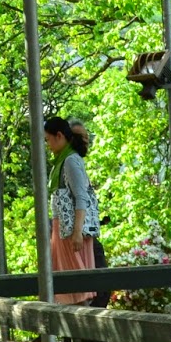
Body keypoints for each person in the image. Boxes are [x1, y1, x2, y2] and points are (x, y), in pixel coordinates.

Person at [20, 117, 99, 342]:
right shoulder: (61, 161)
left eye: (48, 139)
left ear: (60, 136)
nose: (47, 144)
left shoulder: (71, 161)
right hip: (62, 229)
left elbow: (82, 197)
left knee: (77, 287)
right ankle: (71, 340)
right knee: (64, 286)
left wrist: (76, 232)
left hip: (70, 232)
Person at [70, 121, 111, 310]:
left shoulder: (77, 164)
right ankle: (88, 338)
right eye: (80, 137)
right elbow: (78, 199)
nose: (85, 141)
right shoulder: (69, 164)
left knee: (101, 289)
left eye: (87, 137)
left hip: (89, 234)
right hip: (79, 236)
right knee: (94, 288)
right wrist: (77, 232)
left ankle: (91, 337)